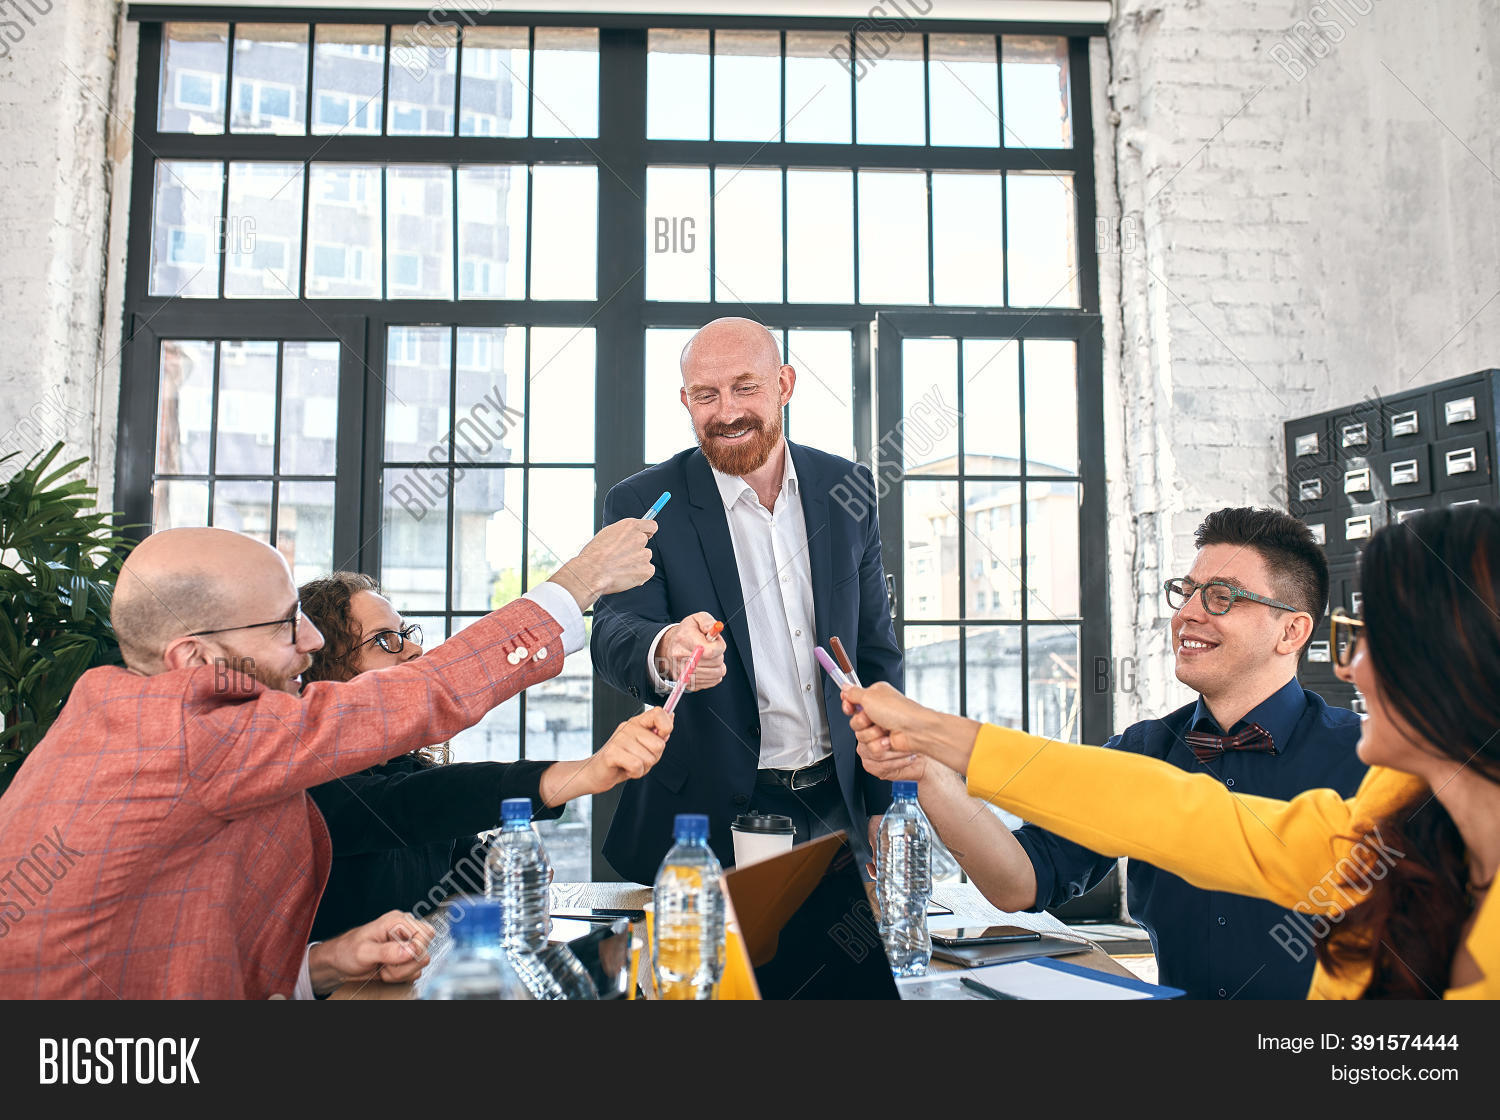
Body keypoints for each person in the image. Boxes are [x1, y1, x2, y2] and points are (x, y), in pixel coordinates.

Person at [847, 505, 1500, 999]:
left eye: (1222, 598)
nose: (1352, 666)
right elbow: (1163, 811)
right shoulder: (1381, 810)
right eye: (1185, 593)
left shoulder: (1369, 774)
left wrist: (933, 730)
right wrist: (928, 757)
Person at [0, 518, 654, 998]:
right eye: (286, 624)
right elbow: (428, 696)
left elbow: (176, 962)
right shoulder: (186, 729)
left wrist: (327, 962)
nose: (311, 641)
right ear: (192, 660)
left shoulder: (111, 715)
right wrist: (582, 579)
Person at [590, 317, 903, 883]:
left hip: (841, 804)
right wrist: (666, 649)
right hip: (704, 815)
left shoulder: (847, 489)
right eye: (706, 395)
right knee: (706, 970)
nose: (727, 411)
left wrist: (882, 799)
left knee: (837, 971)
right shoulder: (642, 501)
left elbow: (877, 655)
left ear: (784, 385)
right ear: (686, 401)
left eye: (746, 387)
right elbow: (615, 629)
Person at [297, 572, 674, 941]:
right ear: (326, 673)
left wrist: (510, 864)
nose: (413, 650)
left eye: (406, 633)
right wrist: (580, 774)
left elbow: (466, 867)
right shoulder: (311, 789)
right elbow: (416, 803)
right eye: (384, 640)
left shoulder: (403, 767)